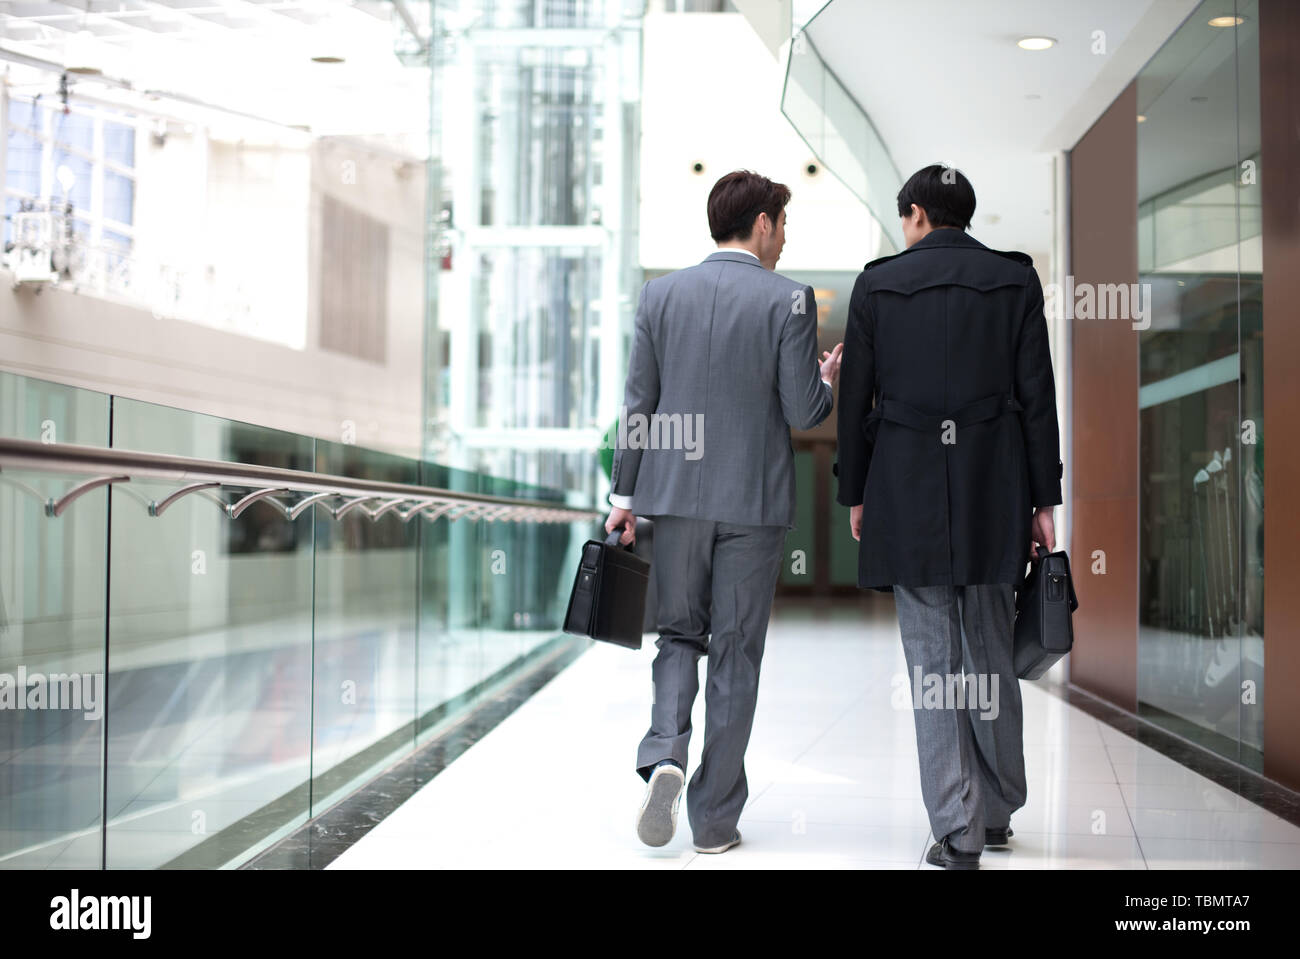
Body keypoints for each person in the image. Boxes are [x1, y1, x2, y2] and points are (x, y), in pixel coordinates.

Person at [605, 169, 843, 854]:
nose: (784, 240)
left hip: (674, 500)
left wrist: (625, 499)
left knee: (678, 634)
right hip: (755, 503)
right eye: (783, 226)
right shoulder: (789, 300)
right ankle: (714, 822)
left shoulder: (660, 295)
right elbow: (803, 412)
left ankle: (666, 750)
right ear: (762, 224)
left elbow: (638, 406)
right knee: (737, 653)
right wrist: (825, 382)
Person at [835, 164, 1063, 870]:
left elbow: (856, 400)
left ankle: (958, 829)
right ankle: (998, 807)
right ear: (966, 214)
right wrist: (1044, 499)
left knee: (931, 661)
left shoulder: (877, 284)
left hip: (905, 486)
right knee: (990, 646)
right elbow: (1038, 394)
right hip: (995, 483)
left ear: (915, 214)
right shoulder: (1015, 279)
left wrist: (856, 491)